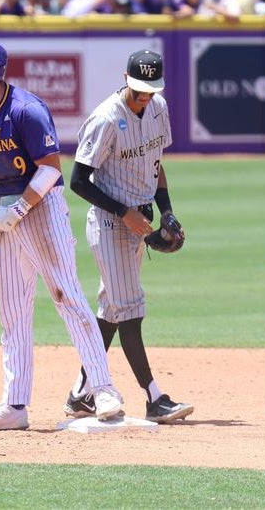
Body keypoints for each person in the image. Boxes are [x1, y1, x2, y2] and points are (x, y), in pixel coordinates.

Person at [0, 36, 125, 432]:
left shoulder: (26, 110)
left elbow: (50, 170)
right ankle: (14, 405)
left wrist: (19, 209)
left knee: (67, 296)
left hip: (42, 208)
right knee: (11, 310)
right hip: (3, 218)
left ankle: (102, 389)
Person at [62, 50, 195, 424]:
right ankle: (155, 397)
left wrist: (166, 210)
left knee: (113, 310)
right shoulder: (106, 119)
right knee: (131, 308)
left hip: (140, 220)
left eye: (150, 90)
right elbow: (77, 181)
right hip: (109, 224)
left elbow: (156, 165)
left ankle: (79, 395)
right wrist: (125, 213)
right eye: (138, 90)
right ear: (125, 79)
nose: (144, 97)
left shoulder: (158, 108)